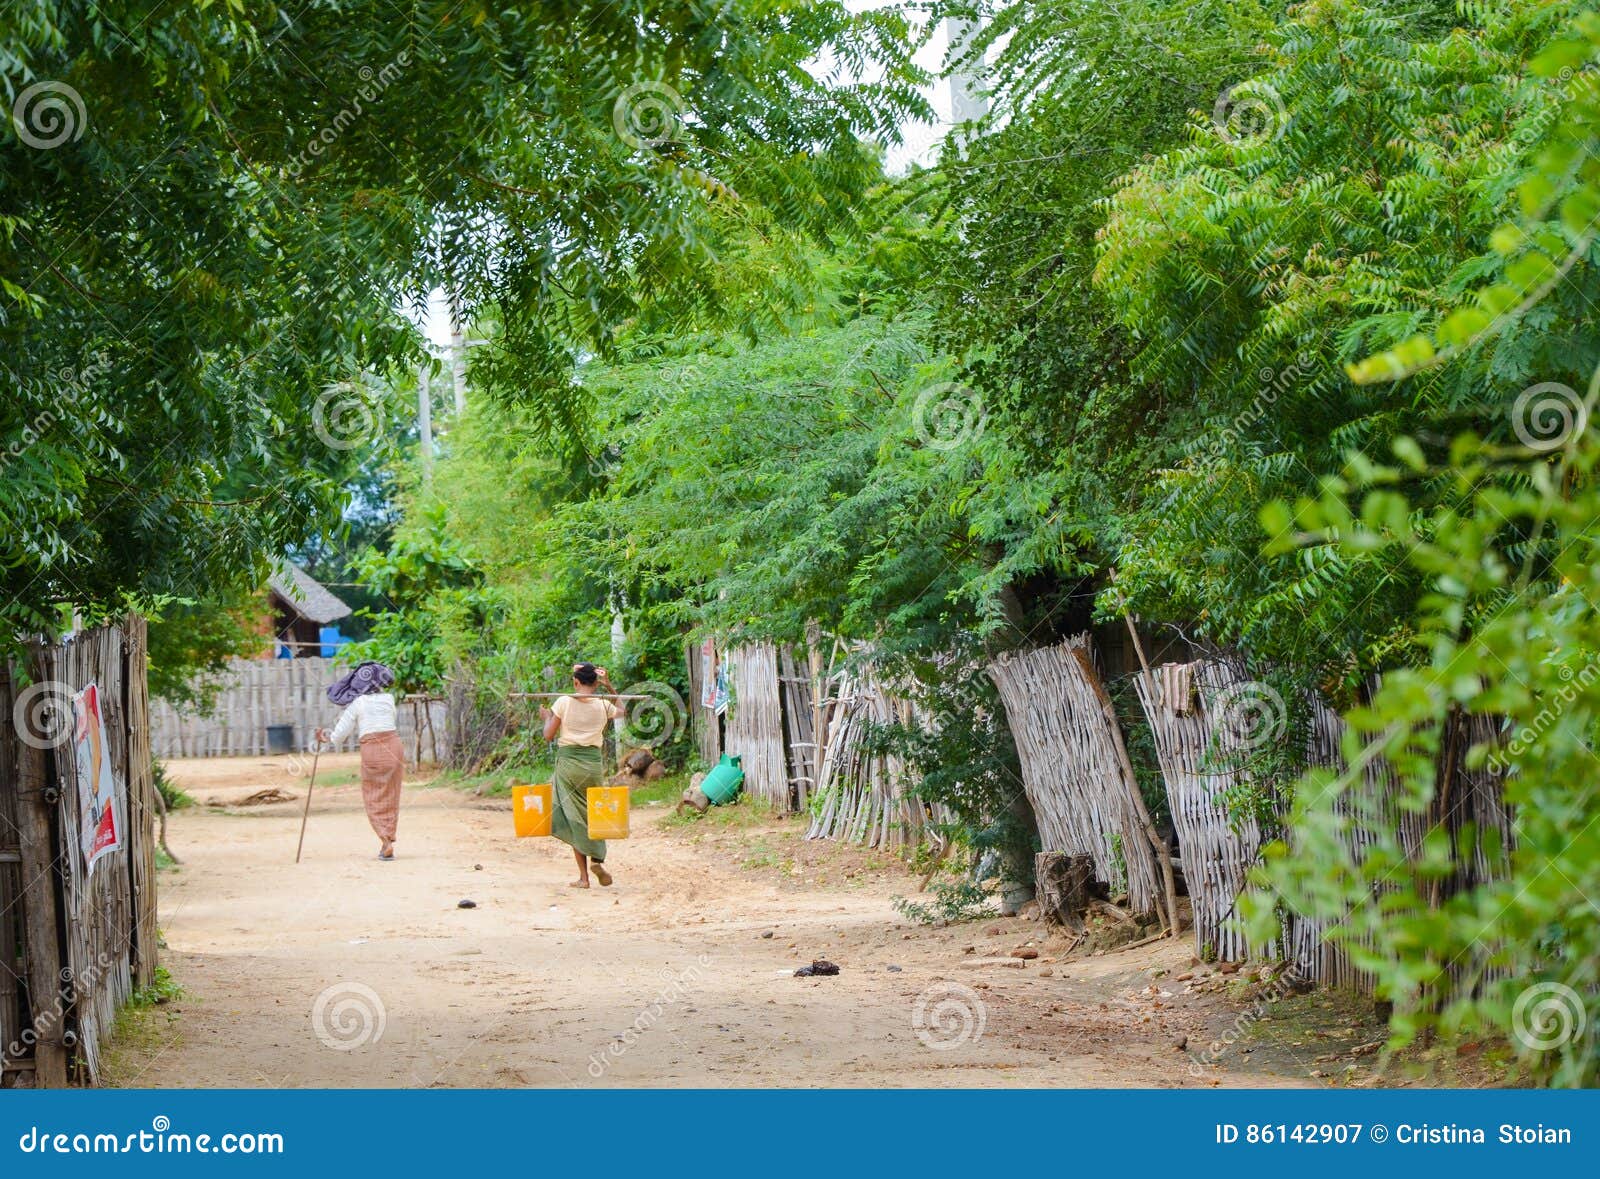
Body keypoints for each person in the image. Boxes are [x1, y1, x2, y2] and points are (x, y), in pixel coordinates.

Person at [541, 663, 619, 888]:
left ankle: (584, 878)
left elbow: (548, 735)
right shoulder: (604, 705)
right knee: (594, 813)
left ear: (576, 682)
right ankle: (597, 859)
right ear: (596, 683)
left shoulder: (563, 702)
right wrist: (611, 686)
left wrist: (546, 716)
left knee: (574, 816)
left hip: (569, 766)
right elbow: (622, 711)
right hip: (592, 765)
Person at [316, 661, 404, 861]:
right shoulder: (389, 699)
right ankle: (389, 836)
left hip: (372, 749)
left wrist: (324, 737)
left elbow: (339, 736)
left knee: (374, 795)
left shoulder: (358, 703)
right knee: (392, 794)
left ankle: (386, 841)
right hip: (394, 747)